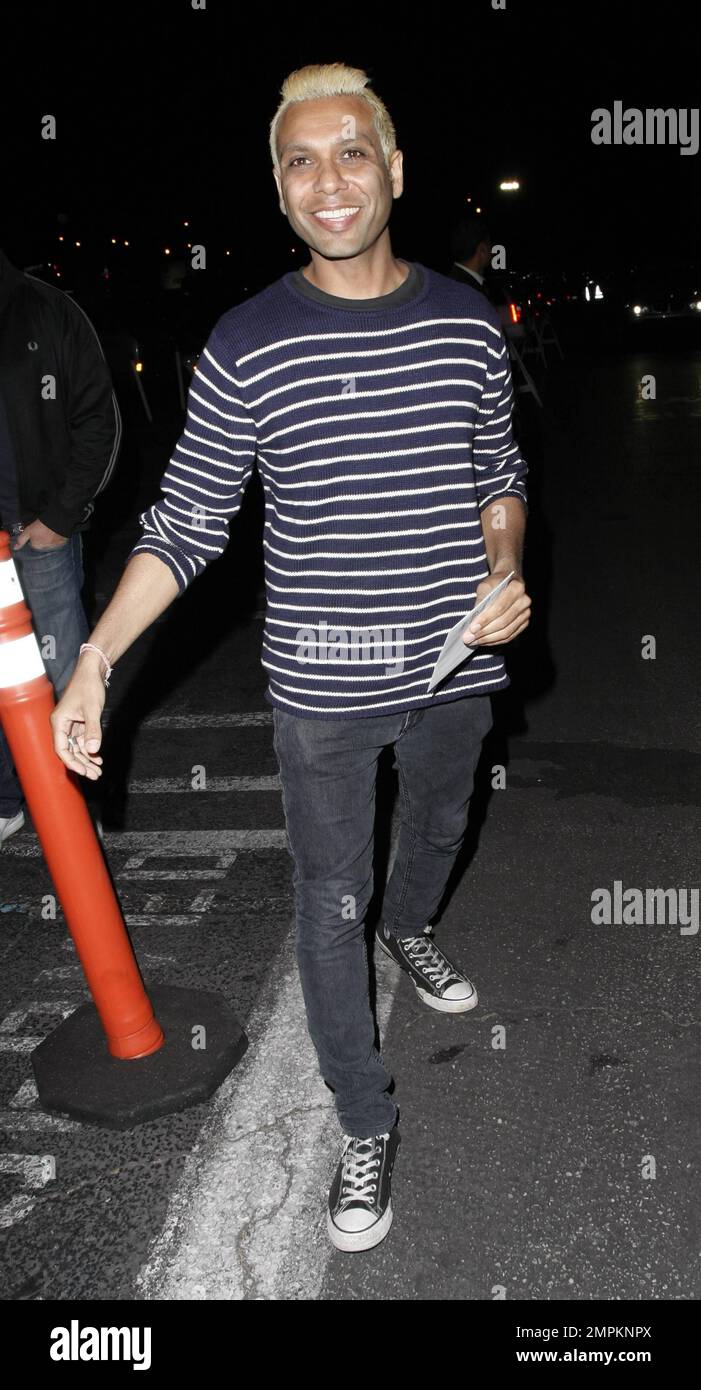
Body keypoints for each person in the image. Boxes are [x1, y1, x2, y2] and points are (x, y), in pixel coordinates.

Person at [50, 62, 531, 1254]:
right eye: (302, 160)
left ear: (393, 170)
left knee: (431, 834)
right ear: (280, 189)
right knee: (329, 900)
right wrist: (99, 655)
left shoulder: (466, 323)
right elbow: (182, 522)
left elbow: (498, 473)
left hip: (453, 669)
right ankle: (363, 1115)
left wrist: (504, 562)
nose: (330, 179)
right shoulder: (247, 342)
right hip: (318, 689)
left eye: (350, 152)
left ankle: (413, 925)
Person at [0, 247, 122, 844]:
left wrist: (61, 516)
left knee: (64, 671)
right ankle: (7, 801)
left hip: (37, 534)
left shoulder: (48, 309)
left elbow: (99, 416)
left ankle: (78, 812)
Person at [448, 215, 494, 300]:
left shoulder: (449, 283)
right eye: (490, 244)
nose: (492, 251)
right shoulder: (470, 292)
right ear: (482, 250)